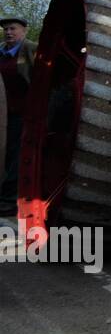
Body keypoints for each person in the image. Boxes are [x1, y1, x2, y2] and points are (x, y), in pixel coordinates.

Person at [1, 17, 35, 216]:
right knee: (6, 155)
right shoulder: (1, 52)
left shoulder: (32, 49)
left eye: (12, 28)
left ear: (24, 30)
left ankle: (8, 201)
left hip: (26, 113)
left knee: (16, 155)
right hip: (5, 115)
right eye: (5, 29)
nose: (8, 32)